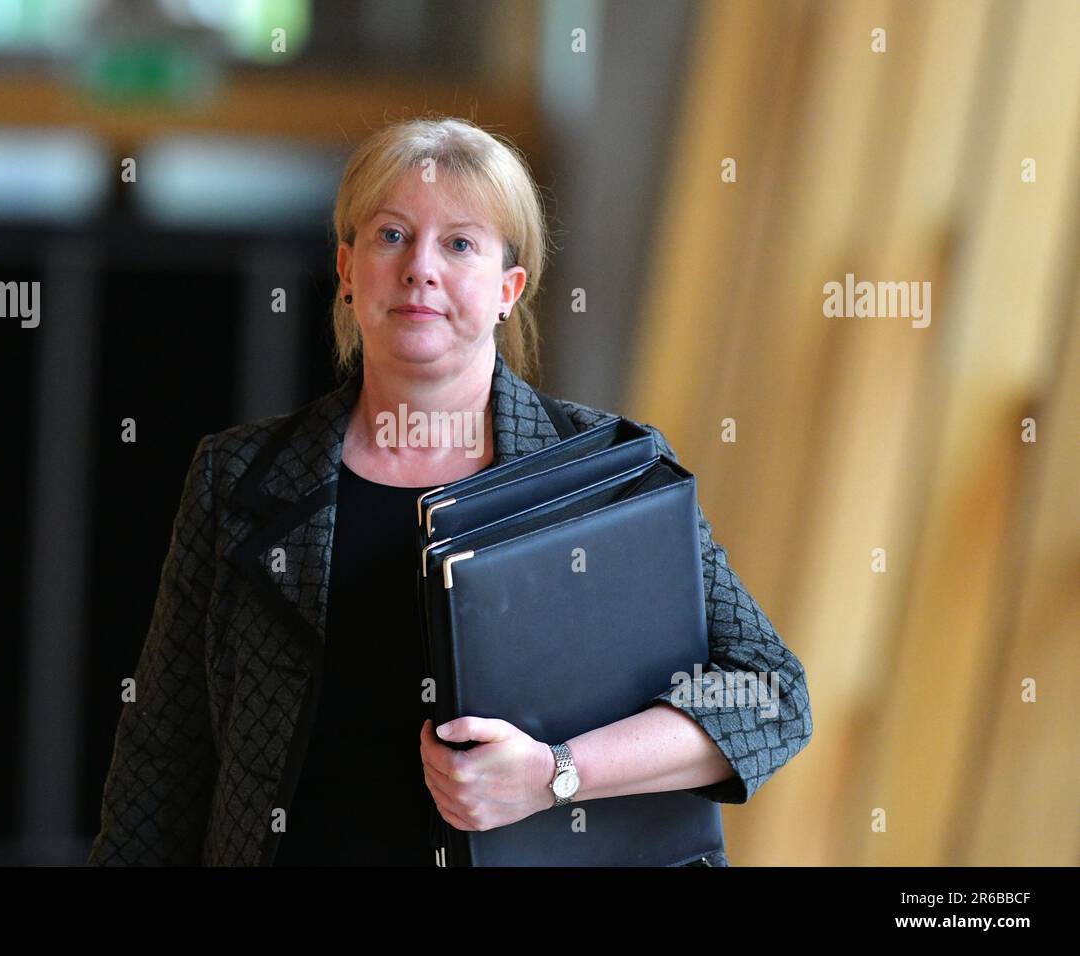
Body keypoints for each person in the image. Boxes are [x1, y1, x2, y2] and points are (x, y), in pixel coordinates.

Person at [87, 115, 812, 867]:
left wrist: (555, 774)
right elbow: (157, 768)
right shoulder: (235, 478)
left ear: (508, 289)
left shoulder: (610, 473)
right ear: (346, 269)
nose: (419, 268)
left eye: (459, 243)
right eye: (391, 235)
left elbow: (770, 695)